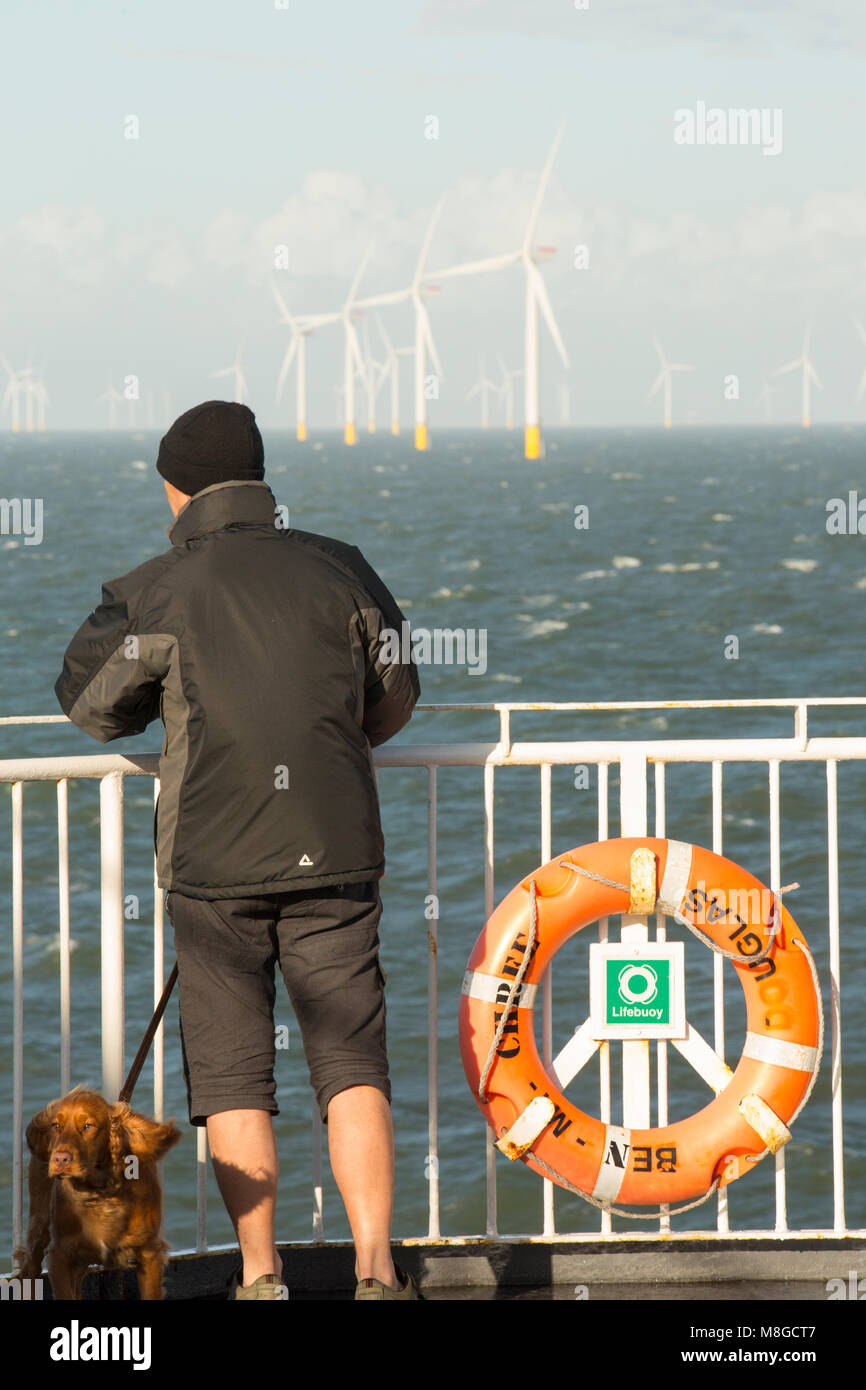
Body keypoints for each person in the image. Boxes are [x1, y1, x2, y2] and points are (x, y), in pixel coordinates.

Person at [55, 400, 420, 1300]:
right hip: (336, 852)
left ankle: (261, 1277)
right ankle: (376, 1272)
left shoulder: (154, 589)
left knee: (233, 1083)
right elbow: (398, 688)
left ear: (178, 492)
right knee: (352, 1065)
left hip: (212, 869)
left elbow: (90, 704)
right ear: (260, 482)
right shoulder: (343, 569)